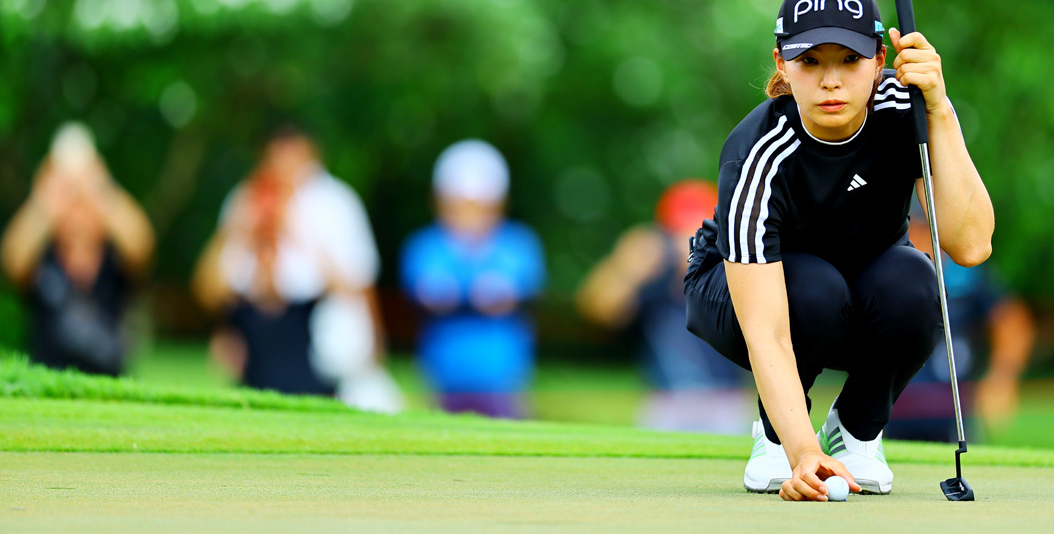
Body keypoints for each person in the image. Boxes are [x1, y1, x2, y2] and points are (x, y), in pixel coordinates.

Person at [685, 0, 994, 501]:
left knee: (914, 279)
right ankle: (776, 439)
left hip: (857, 289)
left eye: (850, 60)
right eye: (811, 62)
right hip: (737, 295)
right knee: (814, 286)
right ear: (783, 63)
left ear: (879, 60)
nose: (831, 81)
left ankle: (856, 433)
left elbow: (970, 245)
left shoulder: (907, 110)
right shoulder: (757, 150)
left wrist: (941, 109)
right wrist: (801, 451)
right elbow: (768, 333)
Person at [192, 126, 394, 408]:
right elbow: (212, 289)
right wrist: (241, 232)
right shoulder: (246, 199)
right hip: (258, 345)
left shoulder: (335, 203)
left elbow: (356, 285)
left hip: (318, 344)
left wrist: (296, 232)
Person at [576, 180, 750, 433]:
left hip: (726, 397)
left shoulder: (738, 266)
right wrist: (628, 266)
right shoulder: (654, 275)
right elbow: (598, 309)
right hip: (664, 399)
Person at [400, 140, 545, 418]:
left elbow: (519, 295)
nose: (469, 214)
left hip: (505, 382)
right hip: (442, 378)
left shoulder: (518, 245)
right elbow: (427, 296)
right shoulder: (425, 246)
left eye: (479, 205)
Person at [1, 123, 155, 375]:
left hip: (112, 384)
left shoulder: (114, 253)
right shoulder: (42, 254)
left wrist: (100, 188)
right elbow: (13, 261)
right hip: (47, 383)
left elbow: (143, 245)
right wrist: (47, 198)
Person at [885, 201, 1034, 442]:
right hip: (891, 411)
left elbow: (1011, 321)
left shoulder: (966, 274)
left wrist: (1001, 378)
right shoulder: (887, 271)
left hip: (952, 411)